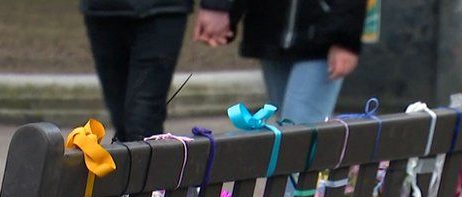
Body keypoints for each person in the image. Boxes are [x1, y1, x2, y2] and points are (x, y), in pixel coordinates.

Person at [79, 0, 235, 142]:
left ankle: (147, 169)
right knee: (120, 118)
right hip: (100, 11)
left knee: (141, 119)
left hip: (161, 11)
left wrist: (216, 5)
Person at [194, 0, 368, 124]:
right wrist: (220, 7)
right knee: (286, 126)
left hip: (322, 33)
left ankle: (321, 174)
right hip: (270, 27)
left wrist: (345, 37)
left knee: (301, 126)